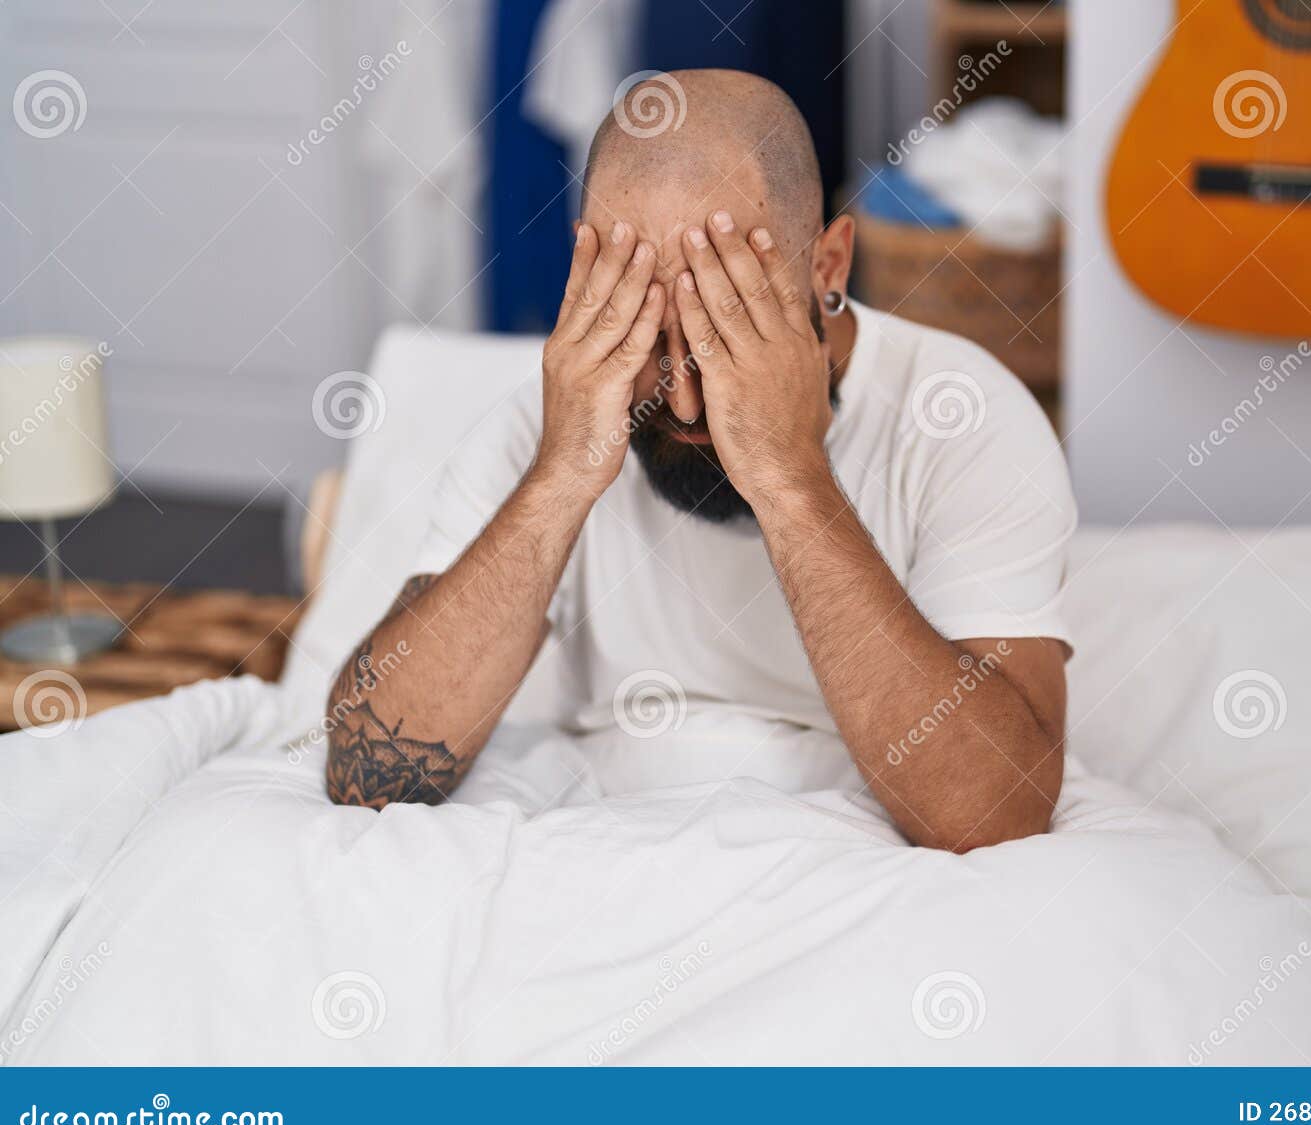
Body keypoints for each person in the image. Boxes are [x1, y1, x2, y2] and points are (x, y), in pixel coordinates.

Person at [323, 69, 1077, 852]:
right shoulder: (543, 427)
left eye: (726, 329)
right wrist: (561, 478)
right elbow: (366, 766)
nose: (681, 399)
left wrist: (791, 478)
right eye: (644, 334)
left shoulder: (963, 417)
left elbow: (996, 811)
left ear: (827, 270)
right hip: (612, 849)